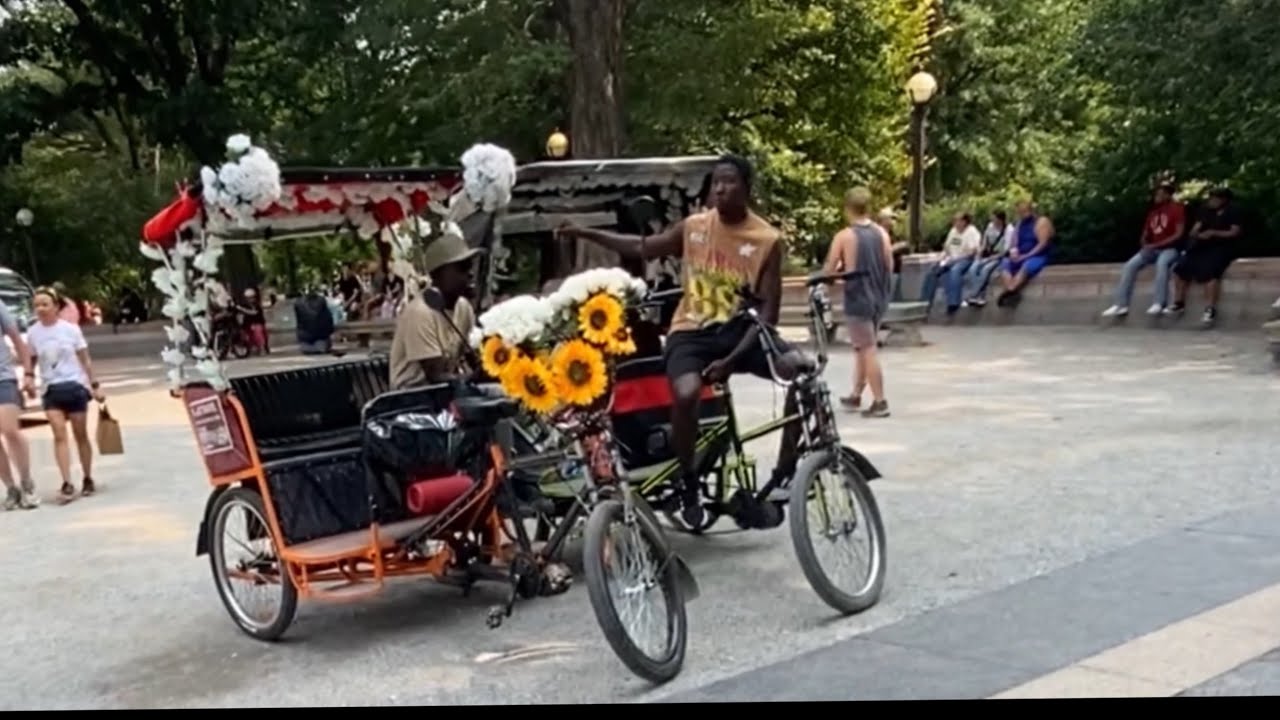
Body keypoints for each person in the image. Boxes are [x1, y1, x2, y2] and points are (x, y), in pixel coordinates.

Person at [555, 155, 808, 527]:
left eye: (729, 182)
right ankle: (688, 480)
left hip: (743, 331)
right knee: (687, 393)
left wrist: (733, 360)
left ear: (747, 189)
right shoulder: (694, 227)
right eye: (715, 183)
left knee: (802, 372)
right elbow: (641, 246)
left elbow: (767, 318)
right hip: (691, 332)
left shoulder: (767, 240)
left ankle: (787, 470)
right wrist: (585, 232)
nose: (720, 189)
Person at [26, 286, 104, 503]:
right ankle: (67, 481)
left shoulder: (70, 330)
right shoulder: (33, 332)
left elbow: (85, 359)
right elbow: (30, 357)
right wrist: (29, 376)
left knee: (80, 436)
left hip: (75, 387)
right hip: (51, 389)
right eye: (36, 305)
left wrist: (95, 385)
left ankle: (87, 477)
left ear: (56, 307)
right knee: (59, 434)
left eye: (45, 304)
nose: (40, 309)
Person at [824, 187, 893, 418]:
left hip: (857, 298)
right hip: (878, 297)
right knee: (861, 347)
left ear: (847, 208)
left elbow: (829, 270)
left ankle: (880, 401)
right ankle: (856, 393)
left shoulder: (844, 236)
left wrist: (830, 282)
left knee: (867, 348)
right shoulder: (882, 234)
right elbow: (889, 265)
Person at [388, 232, 481, 389]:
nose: (470, 273)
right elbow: (436, 377)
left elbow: (474, 358)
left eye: (470, 266)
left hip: (442, 395)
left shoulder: (463, 307)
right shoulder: (420, 312)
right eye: (462, 268)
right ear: (438, 275)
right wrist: (473, 378)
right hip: (411, 398)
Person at [1102, 183, 1186, 318]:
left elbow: (1178, 234)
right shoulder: (1153, 213)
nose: (1156, 197)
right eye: (1156, 194)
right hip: (1152, 248)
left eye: (1160, 194)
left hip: (1170, 248)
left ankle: (1159, 302)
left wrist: (1158, 244)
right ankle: (1120, 304)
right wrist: (1144, 242)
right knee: (1130, 265)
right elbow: (1146, 233)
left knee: (1162, 264)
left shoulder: (1177, 209)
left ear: (1168, 195)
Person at [1169, 187, 1242, 326]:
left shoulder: (1233, 211)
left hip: (1223, 246)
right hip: (1202, 245)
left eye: (1216, 198)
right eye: (1211, 198)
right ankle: (1179, 302)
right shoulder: (1205, 210)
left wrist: (1214, 233)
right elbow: (1195, 229)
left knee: (1211, 271)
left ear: (1224, 200)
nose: (1212, 201)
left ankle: (1210, 308)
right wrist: (1197, 234)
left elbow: (1234, 232)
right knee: (1180, 268)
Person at [0, 301, 37, 510]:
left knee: (9, 430)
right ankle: (10, 488)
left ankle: (26, 482)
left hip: (3, 377)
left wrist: (28, 373)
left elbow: (16, 340)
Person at [921, 212, 982, 315]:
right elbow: (947, 247)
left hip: (965, 259)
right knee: (933, 271)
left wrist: (956, 259)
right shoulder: (953, 231)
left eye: (957, 220)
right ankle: (925, 302)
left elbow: (972, 251)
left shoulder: (972, 232)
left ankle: (953, 303)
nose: (955, 223)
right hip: (950, 258)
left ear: (964, 222)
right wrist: (941, 258)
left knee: (955, 271)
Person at [997, 201, 1053, 307]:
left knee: (1026, 266)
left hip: (1037, 255)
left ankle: (1012, 289)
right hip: (1021, 254)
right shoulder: (1019, 223)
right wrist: (1014, 252)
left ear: (1030, 210)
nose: (1021, 214)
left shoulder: (1041, 222)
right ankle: (1010, 289)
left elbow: (1042, 244)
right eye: (1019, 212)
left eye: (1024, 211)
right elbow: (1014, 242)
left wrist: (1026, 256)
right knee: (1005, 263)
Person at [965, 210, 1014, 307]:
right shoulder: (990, 226)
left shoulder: (1009, 229)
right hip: (987, 254)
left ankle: (973, 295)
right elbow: (985, 242)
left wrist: (992, 258)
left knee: (985, 270)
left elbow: (1006, 249)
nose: (992, 220)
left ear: (1000, 220)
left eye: (994, 219)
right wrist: (980, 253)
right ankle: (979, 297)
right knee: (973, 269)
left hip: (999, 256)